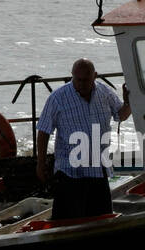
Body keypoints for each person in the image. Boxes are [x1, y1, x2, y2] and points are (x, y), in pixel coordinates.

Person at [36, 59, 131, 220]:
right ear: (72, 76)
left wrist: (128, 102)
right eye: (77, 79)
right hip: (70, 169)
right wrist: (41, 163)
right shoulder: (58, 98)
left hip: (97, 167)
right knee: (67, 220)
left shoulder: (105, 93)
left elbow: (121, 115)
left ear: (94, 76)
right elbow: (44, 131)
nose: (80, 84)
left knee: (102, 218)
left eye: (85, 80)